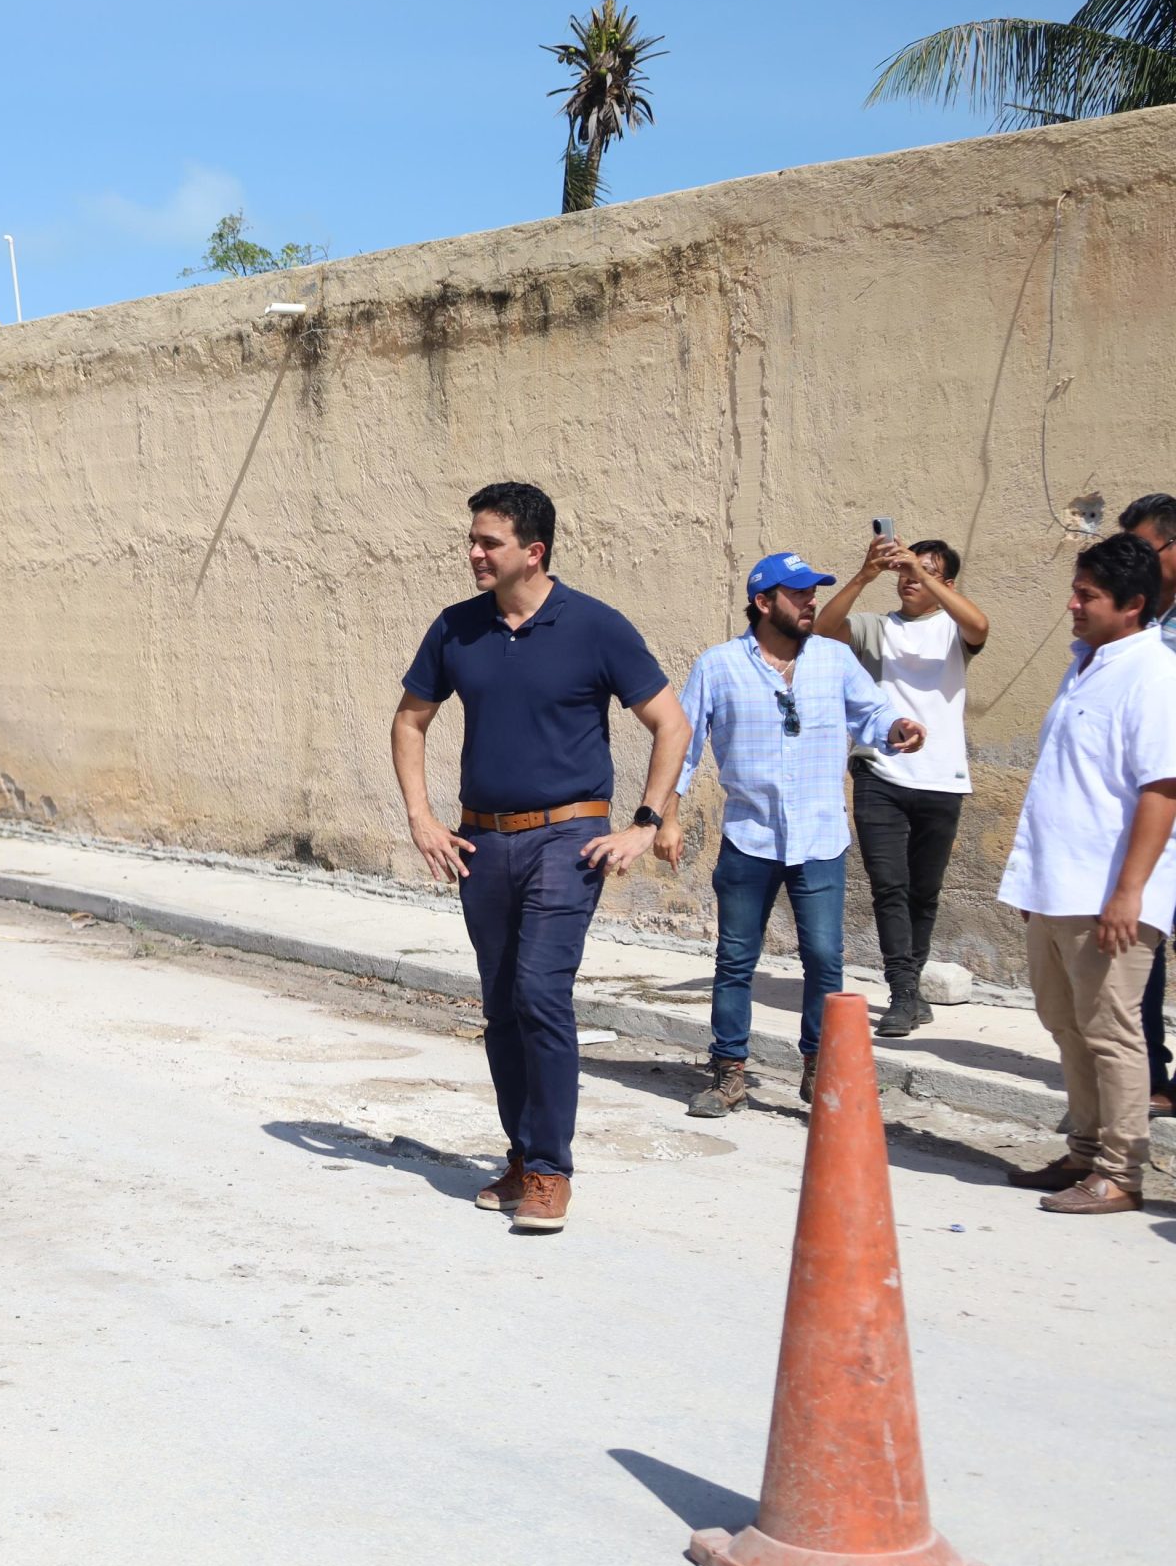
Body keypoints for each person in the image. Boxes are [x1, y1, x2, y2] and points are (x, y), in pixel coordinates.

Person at [392, 481, 689, 1235]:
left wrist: (645, 823)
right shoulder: (456, 628)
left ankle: (551, 1169)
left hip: (569, 834)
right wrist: (422, 817)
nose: (473, 553)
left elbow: (671, 723)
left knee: (539, 990)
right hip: (481, 841)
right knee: (500, 1005)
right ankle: (522, 1157)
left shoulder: (594, 626)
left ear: (534, 550)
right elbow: (410, 720)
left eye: (487, 542)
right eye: (472, 539)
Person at [675, 553, 924, 1117]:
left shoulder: (834, 660)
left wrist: (897, 729)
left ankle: (820, 1071)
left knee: (823, 959)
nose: (811, 601)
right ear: (764, 603)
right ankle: (729, 1073)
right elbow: (683, 746)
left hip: (819, 839)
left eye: (814, 592)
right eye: (798, 593)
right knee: (736, 959)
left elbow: (873, 713)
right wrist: (666, 814)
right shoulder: (718, 666)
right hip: (749, 836)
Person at [994, 531, 1176, 1215]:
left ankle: (1122, 1170)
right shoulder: (1086, 666)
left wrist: (1128, 891)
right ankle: (1085, 1148)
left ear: (1133, 604)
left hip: (1109, 893)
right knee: (1065, 1022)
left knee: (1110, 1029)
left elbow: (1163, 789)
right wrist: (1033, 882)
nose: (1072, 605)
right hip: (1058, 887)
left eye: (1087, 595)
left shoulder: (1154, 676)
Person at [815, 529, 990, 1038]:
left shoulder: (954, 631)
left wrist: (926, 578)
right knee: (889, 886)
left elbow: (979, 624)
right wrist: (868, 573)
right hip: (881, 772)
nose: (910, 580)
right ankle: (903, 992)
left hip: (942, 777)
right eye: (906, 572)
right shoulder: (877, 629)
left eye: (927, 572)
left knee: (924, 890)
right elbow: (826, 630)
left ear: (946, 582)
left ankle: (911, 984)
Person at [1116, 493, 1176, 1117]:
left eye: (1143, 549)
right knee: (1142, 948)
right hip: (1155, 806)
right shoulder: (1146, 618)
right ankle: (1148, 1074)